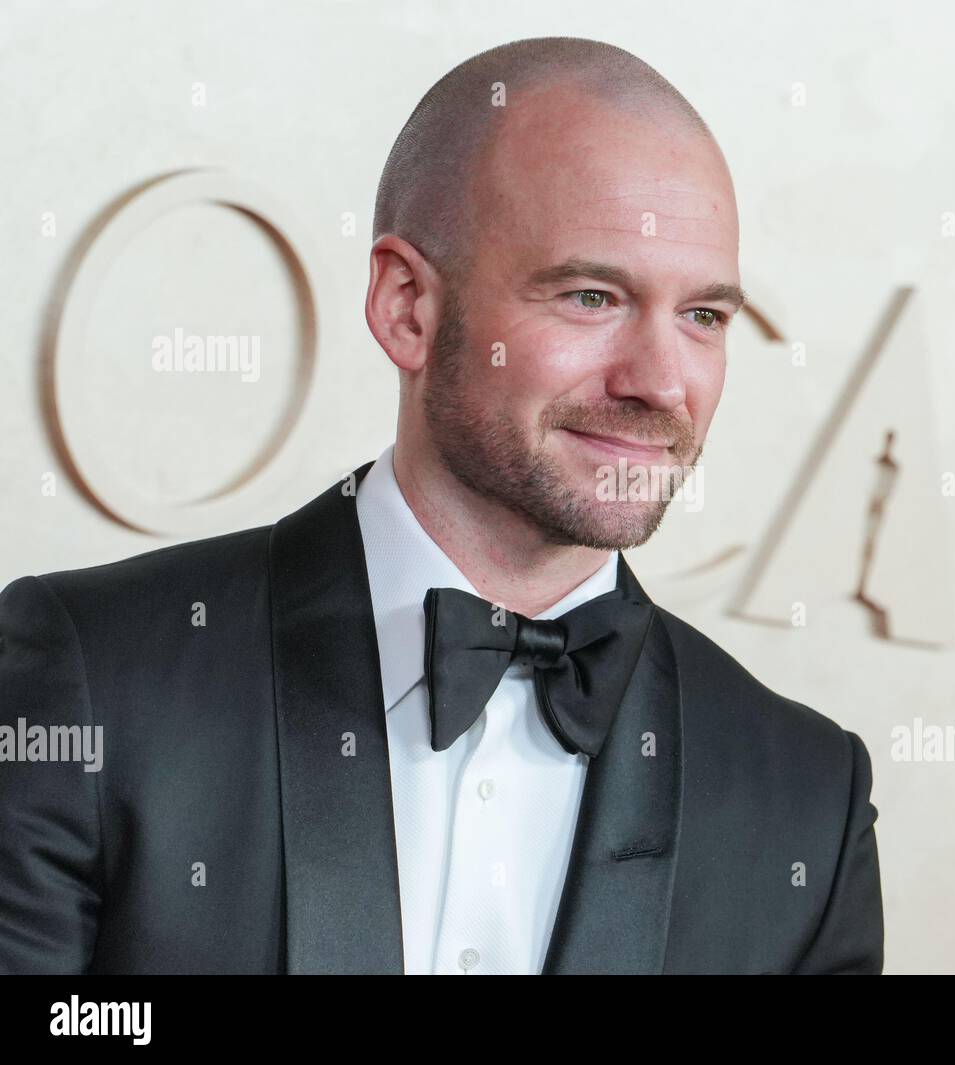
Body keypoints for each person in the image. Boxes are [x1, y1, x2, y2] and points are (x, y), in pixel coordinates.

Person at [0, 36, 884, 974]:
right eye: (592, 296)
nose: (662, 383)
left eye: (704, 316)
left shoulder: (807, 804)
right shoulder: (92, 677)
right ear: (407, 307)